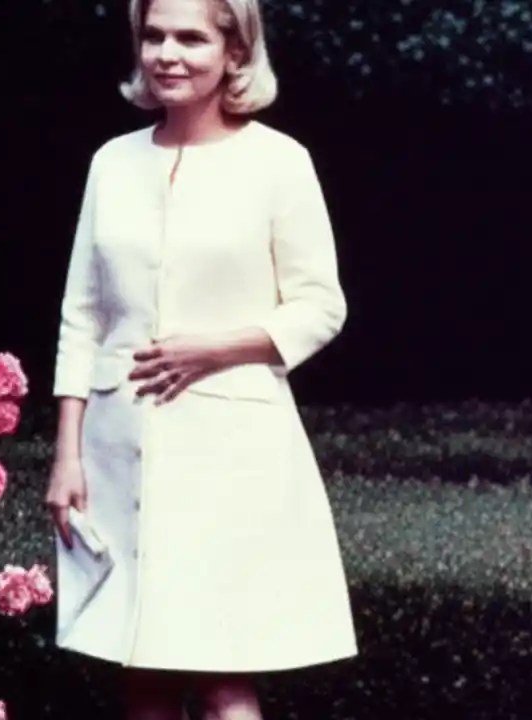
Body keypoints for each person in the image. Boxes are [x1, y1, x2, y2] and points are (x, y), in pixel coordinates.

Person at [44, 0, 359, 717]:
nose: (167, 54)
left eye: (191, 37)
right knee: (141, 674)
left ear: (235, 52)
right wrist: (67, 456)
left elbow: (321, 306)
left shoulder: (279, 163)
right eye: (153, 35)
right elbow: (81, 315)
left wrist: (215, 347)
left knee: (225, 677)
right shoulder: (112, 164)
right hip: (116, 448)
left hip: (233, 451)